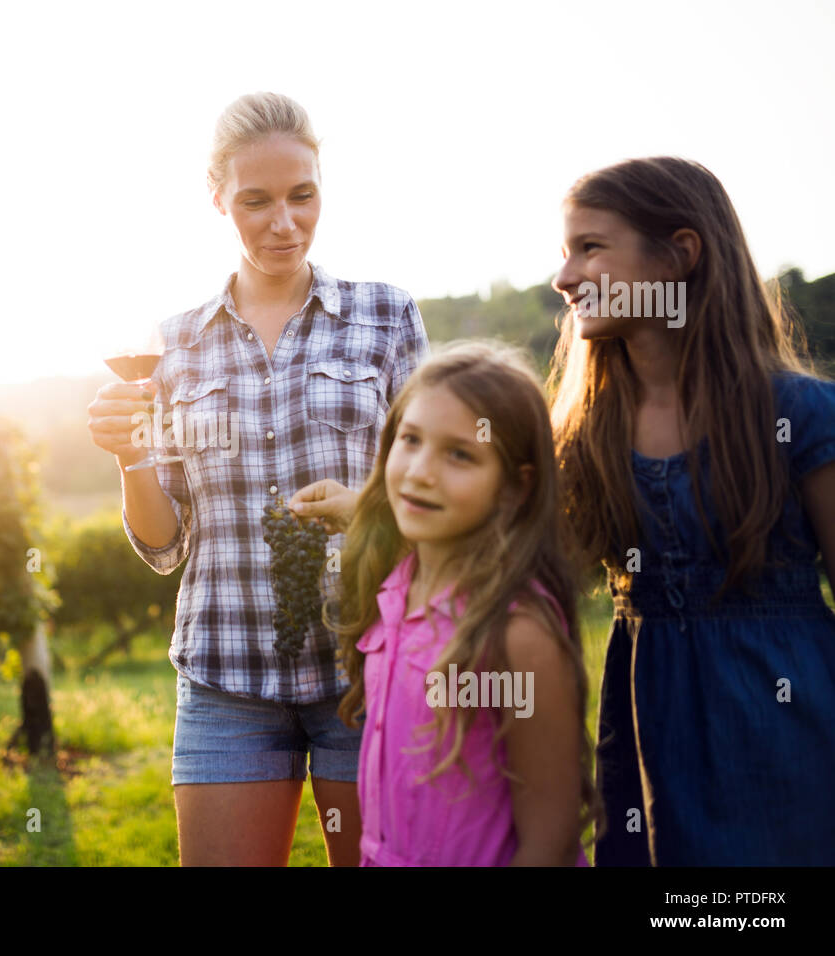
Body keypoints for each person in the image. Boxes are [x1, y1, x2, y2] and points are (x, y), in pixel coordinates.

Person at [87, 92, 428, 866]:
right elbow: (164, 546)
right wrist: (129, 456)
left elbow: (433, 494)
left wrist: (365, 509)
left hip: (365, 670)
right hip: (226, 680)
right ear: (218, 199)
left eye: (302, 196)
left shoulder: (387, 317)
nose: (284, 222)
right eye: (257, 200)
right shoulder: (172, 344)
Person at [550, 157, 835, 865]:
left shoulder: (800, 413)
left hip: (790, 747)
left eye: (590, 247)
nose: (563, 278)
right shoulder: (588, 433)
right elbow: (528, 578)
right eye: (565, 251)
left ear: (680, 253)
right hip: (643, 751)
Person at [333, 341, 595, 866]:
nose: (420, 472)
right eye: (411, 440)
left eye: (460, 454)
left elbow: (550, 843)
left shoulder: (518, 634)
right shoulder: (392, 593)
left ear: (514, 488)